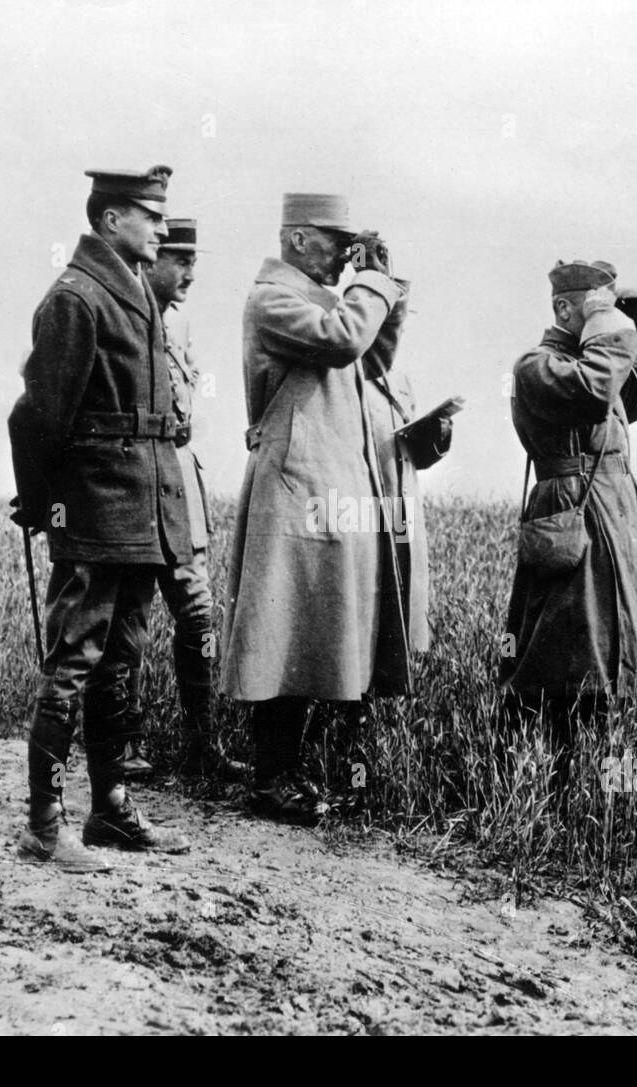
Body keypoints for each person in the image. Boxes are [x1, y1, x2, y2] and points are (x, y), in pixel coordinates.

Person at [220, 193, 441, 823]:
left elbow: (373, 356)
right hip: (295, 485)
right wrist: (370, 283)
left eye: (349, 243)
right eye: (333, 240)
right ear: (295, 239)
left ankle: (298, 772)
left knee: (324, 628)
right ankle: (270, 781)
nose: (343, 252)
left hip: (327, 483)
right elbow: (345, 339)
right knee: (281, 629)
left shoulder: (320, 300)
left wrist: (385, 290)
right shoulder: (273, 300)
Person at [7, 167, 194, 872]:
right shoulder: (76, 297)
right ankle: (43, 825)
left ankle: (110, 810)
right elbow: (37, 415)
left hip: (141, 508)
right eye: (151, 215)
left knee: (121, 661)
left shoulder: (137, 290)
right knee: (75, 661)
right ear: (111, 220)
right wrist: (41, 501)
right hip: (93, 508)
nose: (163, 229)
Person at [499, 257, 637, 746]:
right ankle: (539, 773)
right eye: (596, 308)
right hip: (575, 515)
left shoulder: (599, 366)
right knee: (567, 653)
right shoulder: (538, 367)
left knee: (614, 647)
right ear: (564, 309)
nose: (611, 320)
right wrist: (608, 326)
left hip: (616, 512)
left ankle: (587, 766)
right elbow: (594, 389)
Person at [132, 218, 248, 781]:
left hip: (179, 475)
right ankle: (122, 743)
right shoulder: (123, 319)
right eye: (180, 261)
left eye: (194, 262)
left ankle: (201, 746)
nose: (190, 274)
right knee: (125, 618)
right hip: (133, 480)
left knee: (198, 614)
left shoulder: (178, 326)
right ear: (150, 258)